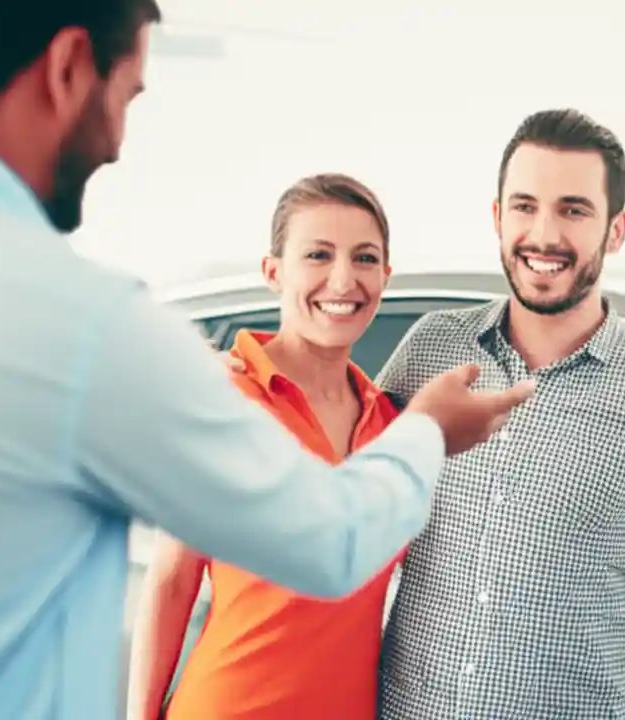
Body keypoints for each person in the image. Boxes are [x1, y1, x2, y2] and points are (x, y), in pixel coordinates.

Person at [0, 3, 532, 718]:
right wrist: (431, 432)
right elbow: (326, 542)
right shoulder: (80, 320)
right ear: (70, 68)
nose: (116, 145)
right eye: (127, 95)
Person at [375, 109, 625, 719]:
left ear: (615, 231)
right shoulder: (431, 349)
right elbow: (346, 492)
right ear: (497, 216)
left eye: (573, 209)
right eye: (525, 205)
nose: (543, 234)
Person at [126, 173, 416, 720]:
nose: (342, 279)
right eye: (318, 255)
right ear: (273, 271)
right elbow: (173, 577)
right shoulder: (227, 400)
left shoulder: (388, 423)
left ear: (385, 274)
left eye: (364, 258)